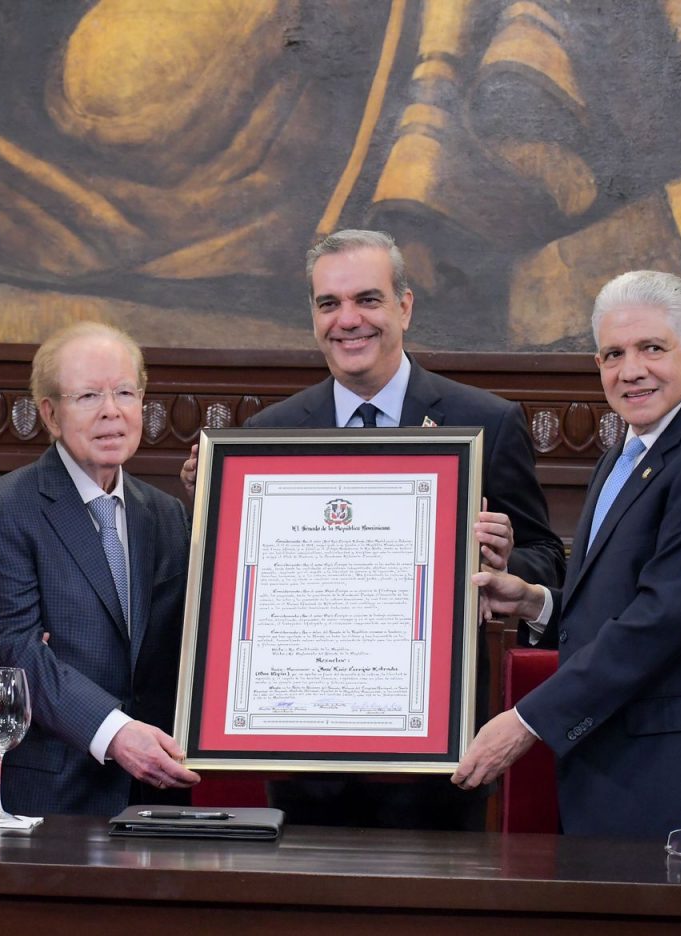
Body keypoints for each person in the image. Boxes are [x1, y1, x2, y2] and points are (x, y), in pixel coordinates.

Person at [180, 229, 565, 830]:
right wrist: (215, 516)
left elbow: (547, 555)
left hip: (434, 760)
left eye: (368, 299)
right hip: (300, 753)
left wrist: (506, 561)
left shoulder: (484, 421)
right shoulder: (269, 433)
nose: (348, 320)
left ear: (405, 306)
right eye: (328, 304)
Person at [453, 271, 681, 841]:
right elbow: (619, 603)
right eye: (612, 354)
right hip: (622, 770)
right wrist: (537, 603)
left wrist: (528, 720)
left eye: (651, 348)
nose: (630, 370)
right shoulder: (625, 455)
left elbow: (661, 621)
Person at [0, 322, 199, 817]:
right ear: (50, 413)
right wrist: (115, 733)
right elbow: (15, 650)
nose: (112, 410)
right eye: (89, 395)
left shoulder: (167, 513)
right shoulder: (3, 509)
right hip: (56, 792)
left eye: (125, 392)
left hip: (159, 793)